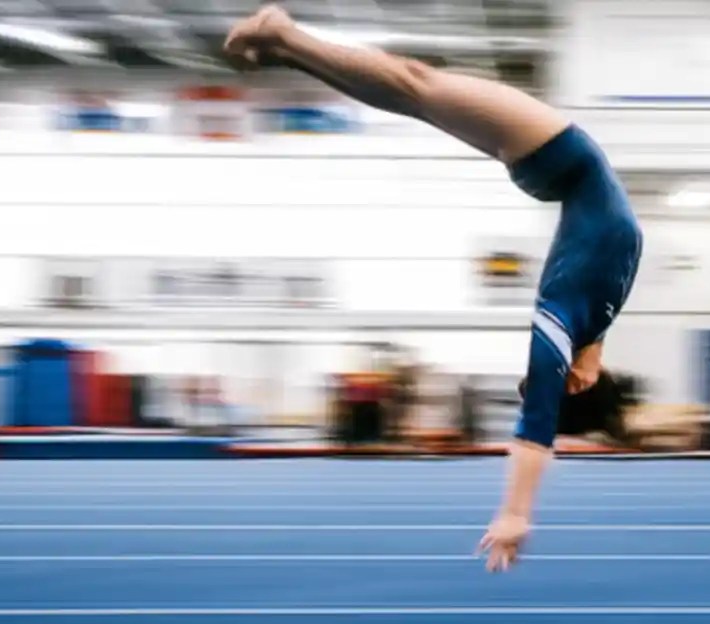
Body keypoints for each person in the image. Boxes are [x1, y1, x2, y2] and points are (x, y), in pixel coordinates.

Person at [225, 5, 643, 573]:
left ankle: (287, 45)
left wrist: (593, 363)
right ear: (576, 380)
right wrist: (516, 513)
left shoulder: (596, 314)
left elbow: (591, 352)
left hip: (561, 169)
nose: (529, 381)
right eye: (538, 384)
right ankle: (283, 37)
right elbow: (535, 431)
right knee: (413, 85)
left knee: (414, 92)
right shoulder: (568, 318)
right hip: (561, 158)